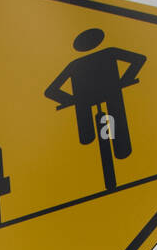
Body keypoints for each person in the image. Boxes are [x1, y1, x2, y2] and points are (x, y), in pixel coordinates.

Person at [45, 28, 146, 188]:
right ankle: (117, 147)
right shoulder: (107, 54)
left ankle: (120, 148)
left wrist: (70, 99)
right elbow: (138, 60)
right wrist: (124, 80)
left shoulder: (76, 64)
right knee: (103, 126)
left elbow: (51, 91)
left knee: (115, 124)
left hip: (95, 99)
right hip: (100, 98)